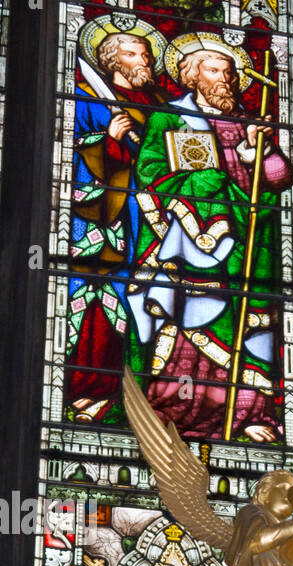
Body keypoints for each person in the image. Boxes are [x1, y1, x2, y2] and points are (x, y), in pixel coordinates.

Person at [129, 36, 293, 440]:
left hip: (250, 239)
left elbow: (279, 179)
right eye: (215, 70)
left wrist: (258, 152)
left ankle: (248, 412)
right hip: (189, 242)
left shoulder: (246, 122)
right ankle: (176, 409)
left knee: (248, 323)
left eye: (230, 72)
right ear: (191, 74)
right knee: (191, 315)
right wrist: (206, 184)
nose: (226, 80)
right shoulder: (172, 117)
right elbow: (149, 172)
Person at [69, 19, 168, 422]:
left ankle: (123, 390)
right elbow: (66, 152)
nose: (143, 60)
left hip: (145, 220)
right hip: (96, 223)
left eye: (145, 54)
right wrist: (107, 140)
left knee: (133, 305)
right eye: (133, 53)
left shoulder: (159, 105)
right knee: (93, 300)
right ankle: (84, 388)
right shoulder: (85, 97)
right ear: (111, 61)